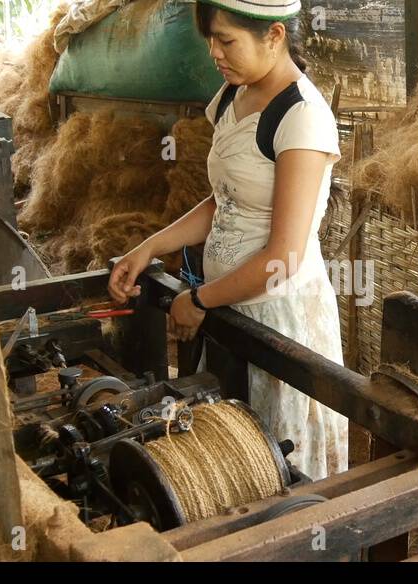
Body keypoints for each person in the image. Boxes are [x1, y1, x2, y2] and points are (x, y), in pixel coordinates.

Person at [108, 0, 348, 481]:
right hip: (231, 309)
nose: (215, 53)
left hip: (278, 318)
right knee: (233, 456)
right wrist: (150, 247)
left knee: (281, 462)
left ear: (274, 36)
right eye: (210, 40)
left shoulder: (301, 118)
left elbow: (284, 256)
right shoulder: (230, 98)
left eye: (226, 40)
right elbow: (223, 202)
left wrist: (197, 299)